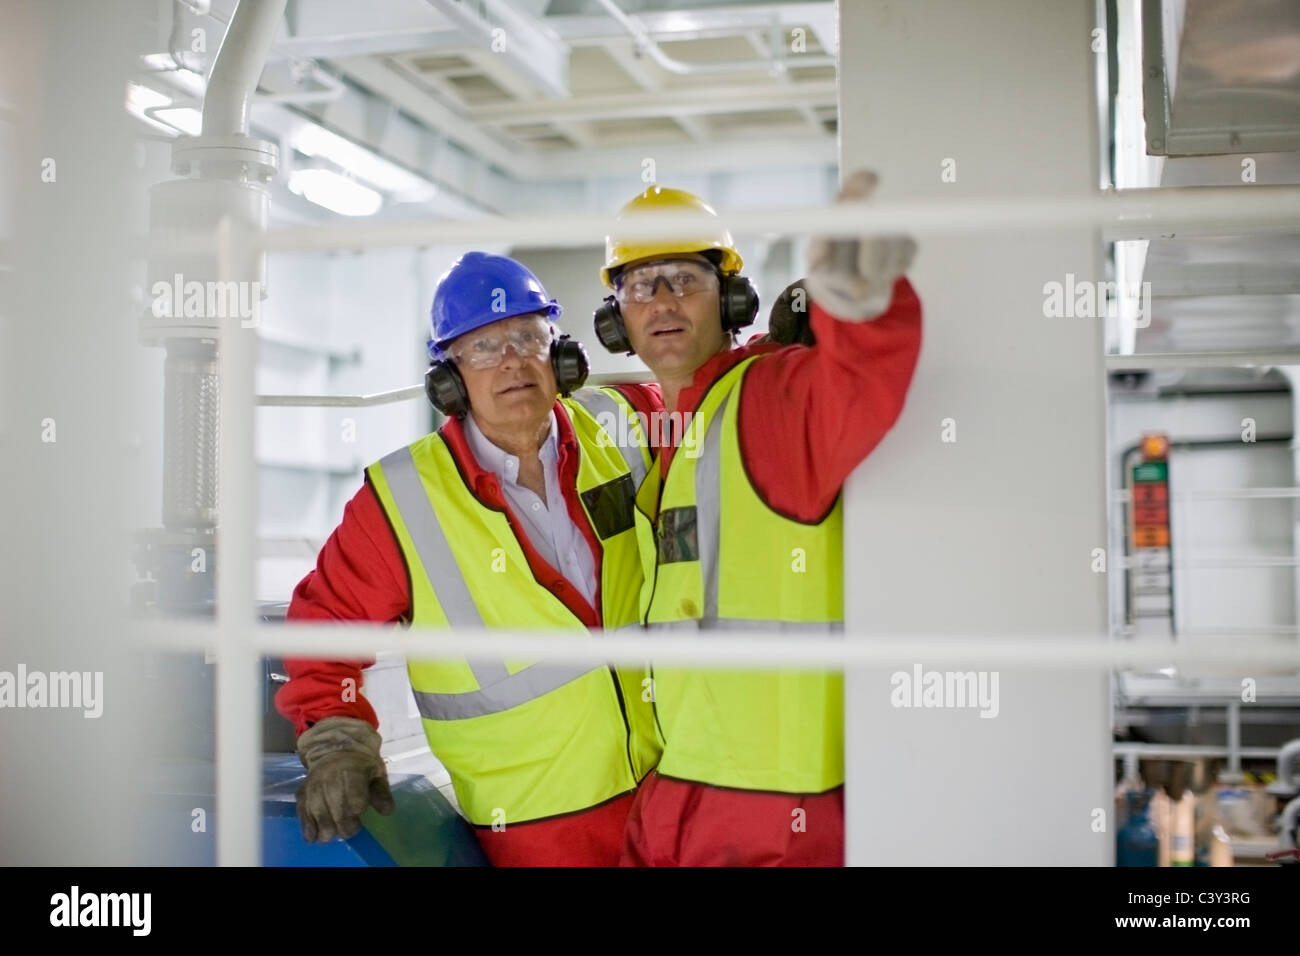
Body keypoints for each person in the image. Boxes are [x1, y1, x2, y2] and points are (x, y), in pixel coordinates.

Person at [274, 251, 661, 867]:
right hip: (538, 832)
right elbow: (324, 631)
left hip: (671, 797)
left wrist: (792, 341)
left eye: (527, 337)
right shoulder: (402, 500)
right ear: (447, 379)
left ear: (560, 353)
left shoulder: (626, 424)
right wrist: (339, 740)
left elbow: (721, 396)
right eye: (482, 347)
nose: (511, 361)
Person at [590, 172, 923, 866]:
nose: (661, 301)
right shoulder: (670, 438)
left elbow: (858, 383)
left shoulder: (771, 398)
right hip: (675, 801)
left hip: (776, 821)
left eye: (684, 277)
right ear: (614, 318)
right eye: (638, 284)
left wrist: (857, 303)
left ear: (731, 296)